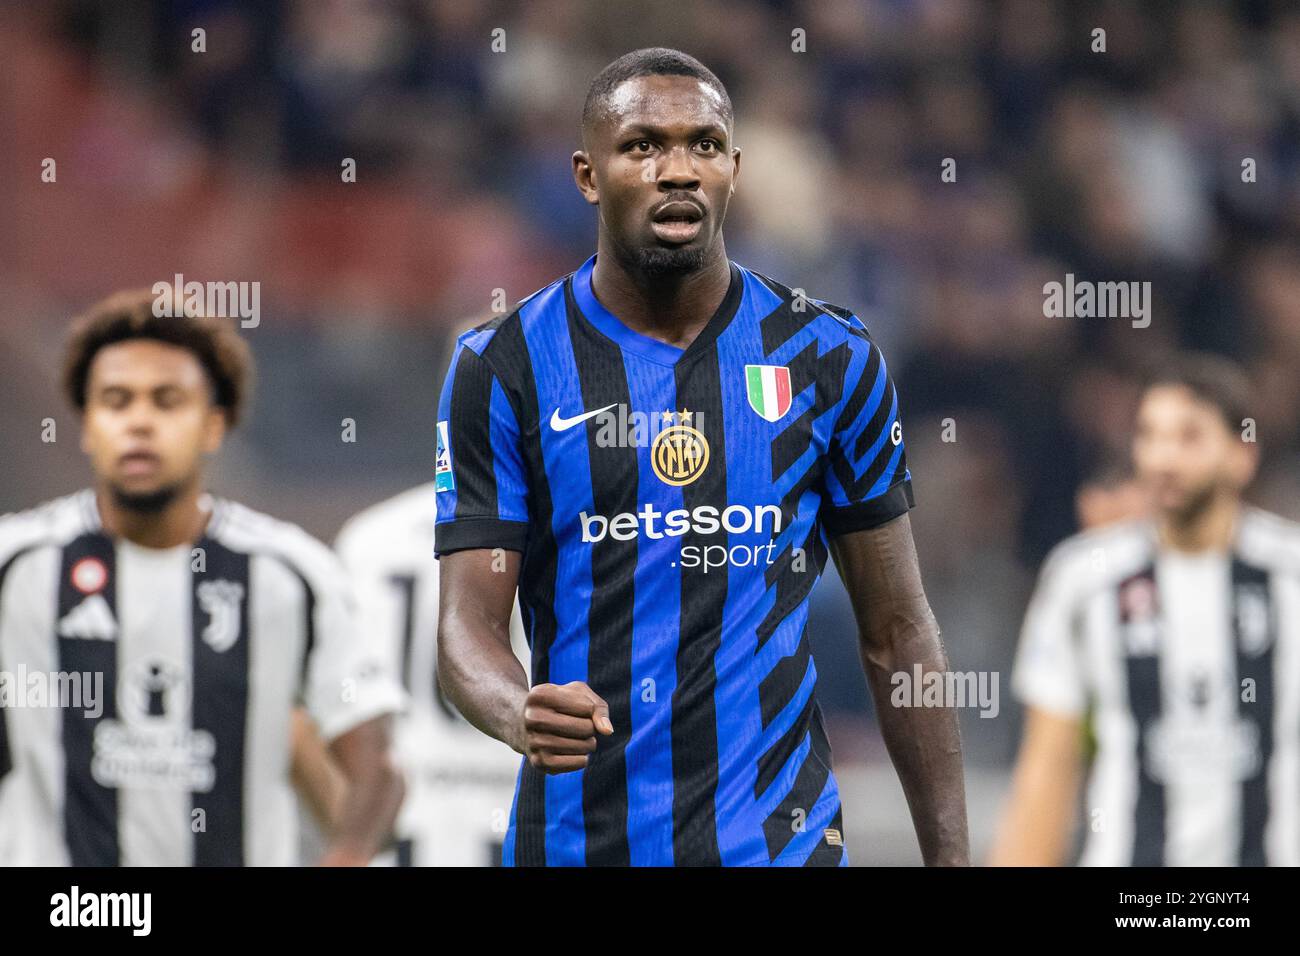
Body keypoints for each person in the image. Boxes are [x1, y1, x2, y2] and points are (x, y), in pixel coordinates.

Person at [434, 48, 967, 866]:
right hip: (580, 844)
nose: (677, 169)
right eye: (643, 145)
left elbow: (898, 631)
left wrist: (952, 859)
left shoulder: (827, 355)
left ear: (734, 169)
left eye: (704, 146)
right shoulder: (502, 366)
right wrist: (517, 712)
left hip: (777, 846)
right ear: (587, 173)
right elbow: (467, 625)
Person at [0, 289, 404, 866]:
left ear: (214, 426)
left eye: (167, 401)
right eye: (116, 401)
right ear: (88, 427)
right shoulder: (15, 562)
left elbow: (376, 772)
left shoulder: (291, 574)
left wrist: (347, 854)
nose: (139, 421)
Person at [992, 353, 1300, 866]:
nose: (1162, 459)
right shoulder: (1083, 578)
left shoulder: (1290, 575)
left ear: (1242, 455)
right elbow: (1046, 770)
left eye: (1188, 437)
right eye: (1148, 436)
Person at [334, 480, 527, 865]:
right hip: (524, 826)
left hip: (404, 835)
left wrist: (351, 843)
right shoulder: (577, 533)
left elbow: (319, 711)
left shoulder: (370, 537)